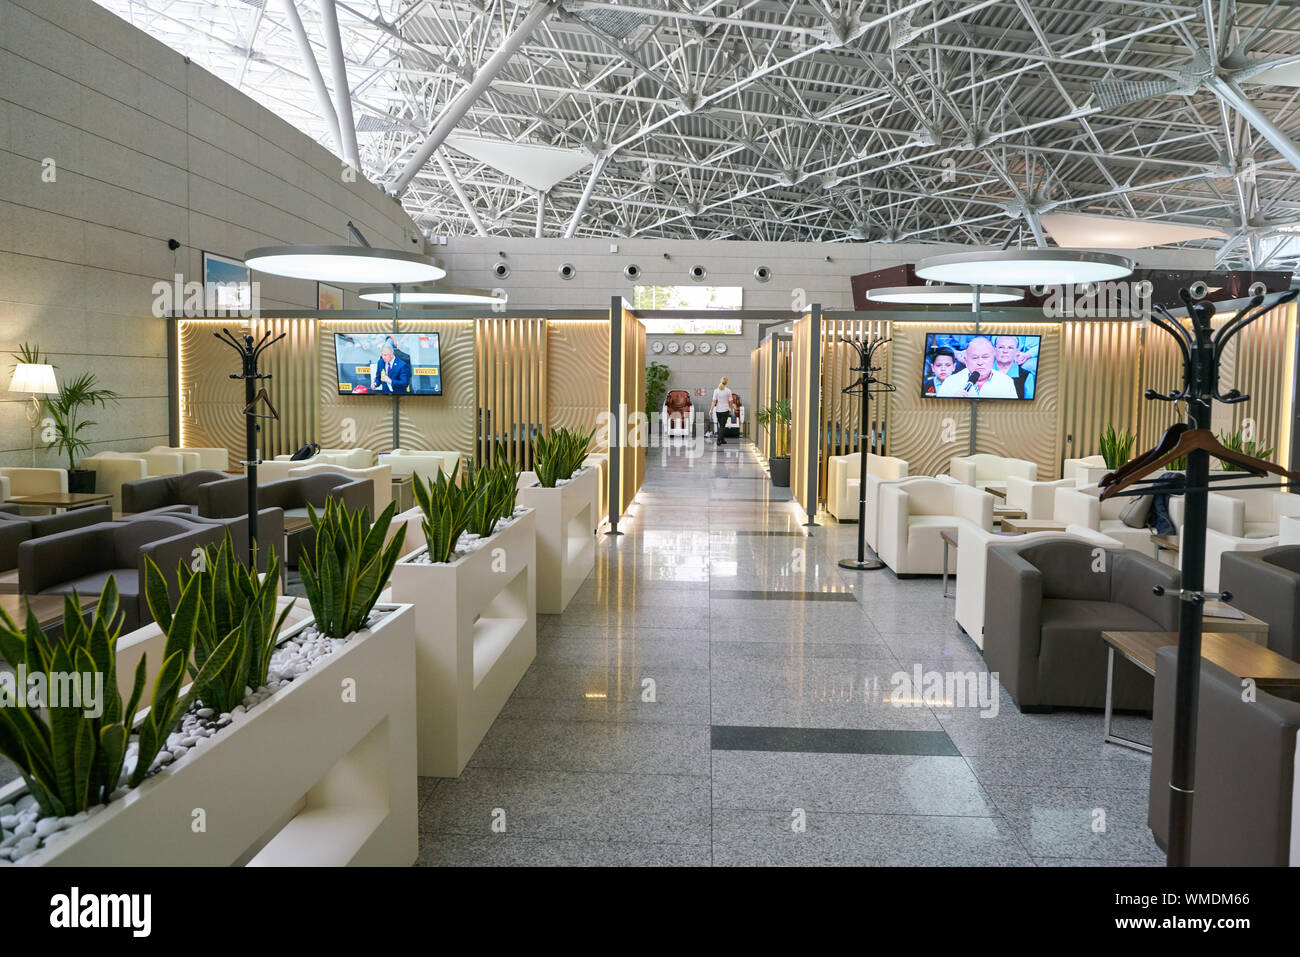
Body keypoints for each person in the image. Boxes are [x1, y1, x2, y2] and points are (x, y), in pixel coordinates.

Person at [936, 336, 1017, 398]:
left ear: (993, 358)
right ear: (965, 360)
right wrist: (952, 402)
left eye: (985, 357)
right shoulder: (950, 382)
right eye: (975, 358)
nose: (980, 362)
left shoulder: (1006, 382)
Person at [710, 376, 734, 445]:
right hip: (725, 410)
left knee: (721, 425)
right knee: (723, 426)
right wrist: (732, 408)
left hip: (718, 411)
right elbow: (730, 402)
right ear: (726, 382)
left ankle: (722, 439)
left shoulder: (716, 390)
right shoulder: (728, 391)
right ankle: (718, 440)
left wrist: (711, 410)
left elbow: (714, 402)